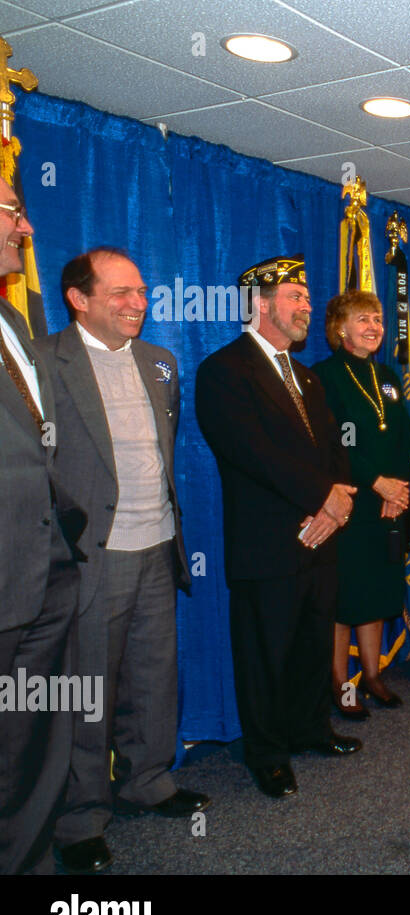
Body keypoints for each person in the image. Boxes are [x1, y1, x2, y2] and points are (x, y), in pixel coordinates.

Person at [36, 249, 208, 875]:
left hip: (158, 547)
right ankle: (79, 817)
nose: (137, 303)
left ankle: (149, 781)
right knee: (87, 693)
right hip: (89, 561)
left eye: (141, 290)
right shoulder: (41, 363)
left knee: (153, 677)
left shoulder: (160, 363)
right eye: (120, 293)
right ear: (78, 299)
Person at [195, 254, 360, 799]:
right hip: (267, 545)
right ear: (261, 305)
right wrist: (322, 500)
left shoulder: (308, 377)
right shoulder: (223, 370)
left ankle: (310, 728)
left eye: (308, 298)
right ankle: (266, 753)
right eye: (296, 297)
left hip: (322, 540)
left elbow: (333, 452)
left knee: (313, 642)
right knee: (264, 652)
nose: (308, 306)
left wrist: (337, 505)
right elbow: (250, 453)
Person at [0, 181, 85, 874]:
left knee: (31, 737)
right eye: (10, 211)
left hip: (46, 570)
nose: (25, 226)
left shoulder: (15, 323)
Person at [313, 291, 410, 716]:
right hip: (350, 504)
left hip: (388, 507)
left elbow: (404, 437)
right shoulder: (324, 376)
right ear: (340, 329)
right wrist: (378, 484)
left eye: (377, 319)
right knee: (345, 596)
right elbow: (334, 444)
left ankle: (372, 676)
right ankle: (341, 684)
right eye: (362, 320)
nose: (373, 327)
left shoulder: (388, 377)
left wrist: (399, 492)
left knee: (376, 591)